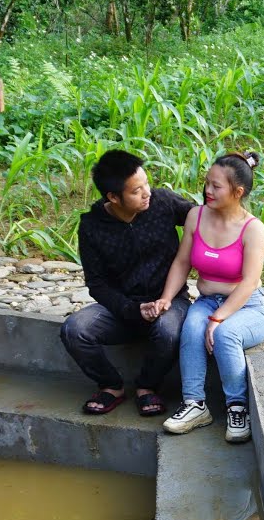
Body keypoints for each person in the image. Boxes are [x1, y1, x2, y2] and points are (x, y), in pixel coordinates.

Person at [143, 152, 264, 444]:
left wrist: (218, 318)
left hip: (247, 307)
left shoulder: (253, 229)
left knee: (225, 335)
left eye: (216, 186)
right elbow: (181, 263)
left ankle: (236, 408)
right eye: (206, 184)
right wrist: (166, 298)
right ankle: (194, 405)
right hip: (206, 300)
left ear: (238, 192)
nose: (207, 191)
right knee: (191, 327)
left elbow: (250, 282)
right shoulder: (195, 216)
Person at [60, 150, 194, 416]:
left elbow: (204, 219)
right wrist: (132, 309)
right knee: (75, 329)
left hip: (170, 302)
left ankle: (147, 387)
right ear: (113, 197)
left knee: (168, 331)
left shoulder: (163, 202)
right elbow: (96, 283)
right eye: (136, 191)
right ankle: (111, 386)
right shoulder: (92, 226)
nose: (147, 193)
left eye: (146, 184)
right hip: (122, 309)